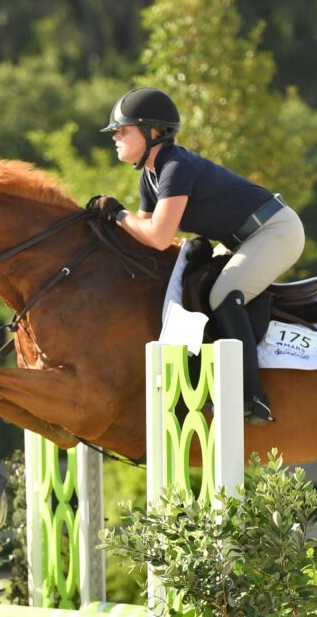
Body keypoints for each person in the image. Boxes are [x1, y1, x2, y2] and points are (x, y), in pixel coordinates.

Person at [86, 86, 305, 424]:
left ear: (153, 132)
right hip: (243, 239)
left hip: (276, 230)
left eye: (123, 130)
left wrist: (117, 214)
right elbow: (141, 233)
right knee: (195, 290)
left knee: (222, 295)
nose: (115, 136)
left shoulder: (175, 167)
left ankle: (251, 398)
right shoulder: (151, 175)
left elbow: (158, 237)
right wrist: (104, 228)